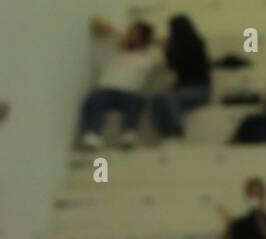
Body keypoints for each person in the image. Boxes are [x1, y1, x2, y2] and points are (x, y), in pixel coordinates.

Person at [78, 18, 163, 150]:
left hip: (129, 93)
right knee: (93, 98)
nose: (131, 35)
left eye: (136, 34)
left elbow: (169, 43)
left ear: (144, 38)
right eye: (131, 32)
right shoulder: (116, 47)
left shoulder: (149, 56)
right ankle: (92, 136)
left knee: (137, 101)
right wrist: (121, 35)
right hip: (105, 90)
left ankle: (129, 136)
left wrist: (150, 40)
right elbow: (96, 23)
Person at [152, 14, 212, 139]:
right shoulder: (183, 45)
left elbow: (175, 63)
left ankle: (177, 131)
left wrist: (168, 48)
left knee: (168, 96)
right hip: (184, 89)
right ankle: (165, 134)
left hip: (200, 90)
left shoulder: (195, 44)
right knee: (155, 99)